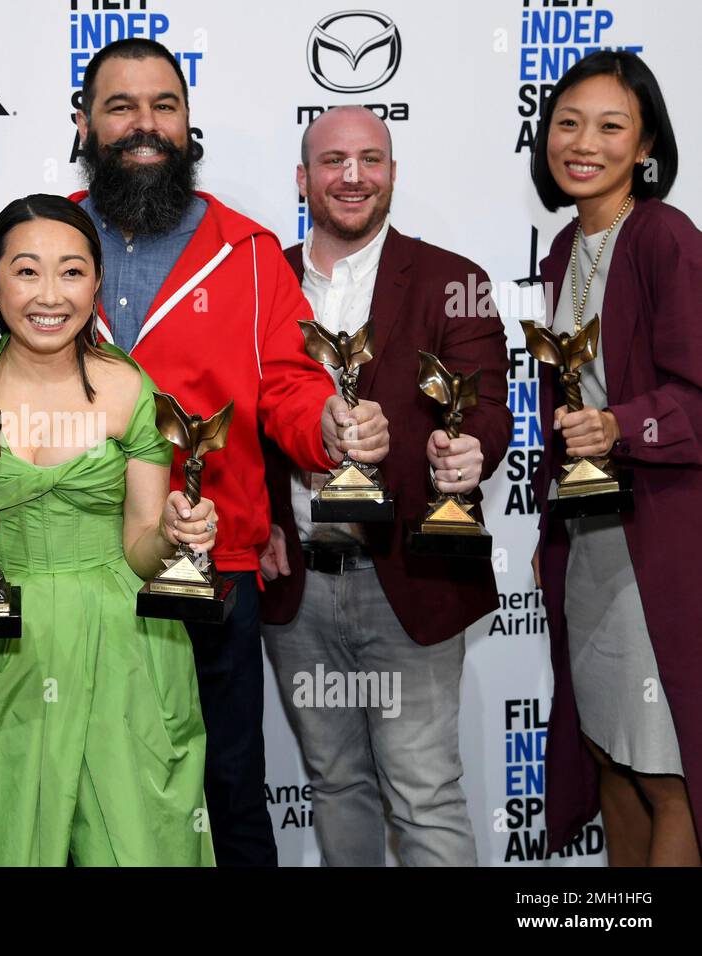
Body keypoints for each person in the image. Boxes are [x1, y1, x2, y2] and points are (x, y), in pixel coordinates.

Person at [69, 38, 382, 866]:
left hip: (214, 563)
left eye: (164, 106)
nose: (145, 125)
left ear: (187, 121)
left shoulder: (248, 253)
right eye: (121, 107)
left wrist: (331, 428)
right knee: (80, 786)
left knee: (228, 788)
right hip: (70, 564)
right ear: (84, 124)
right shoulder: (44, 241)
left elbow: (286, 384)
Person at [0, 194, 217, 866]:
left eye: (72, 272)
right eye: (26, 271)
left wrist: (177, 533)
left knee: (136, 847)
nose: (50, 295)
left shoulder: (131, 390)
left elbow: (141, 547)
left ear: (96, 283)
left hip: (122, 646)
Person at [260, 106, 512, 865]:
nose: (353, 176)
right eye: (334, 161)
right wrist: (258, 520)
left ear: (393, 173)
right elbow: (242, 413)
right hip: (298, 582)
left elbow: (488, 405)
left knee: (423, 792)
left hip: (410, 573)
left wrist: (470, 450)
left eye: (371, 159)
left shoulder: (450, 281)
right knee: (336, 784)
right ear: (303, 179)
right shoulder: (265, 278)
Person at [530, 51, 701, 866]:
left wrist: (622, 426)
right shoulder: (565, 252)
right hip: (590, 540)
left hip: (661, 543)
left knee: (667, 772)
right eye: (568, 122)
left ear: (646, 146)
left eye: (610, 126)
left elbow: (697, 395)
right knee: (607, 753)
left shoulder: (665, 236)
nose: (583, 142)